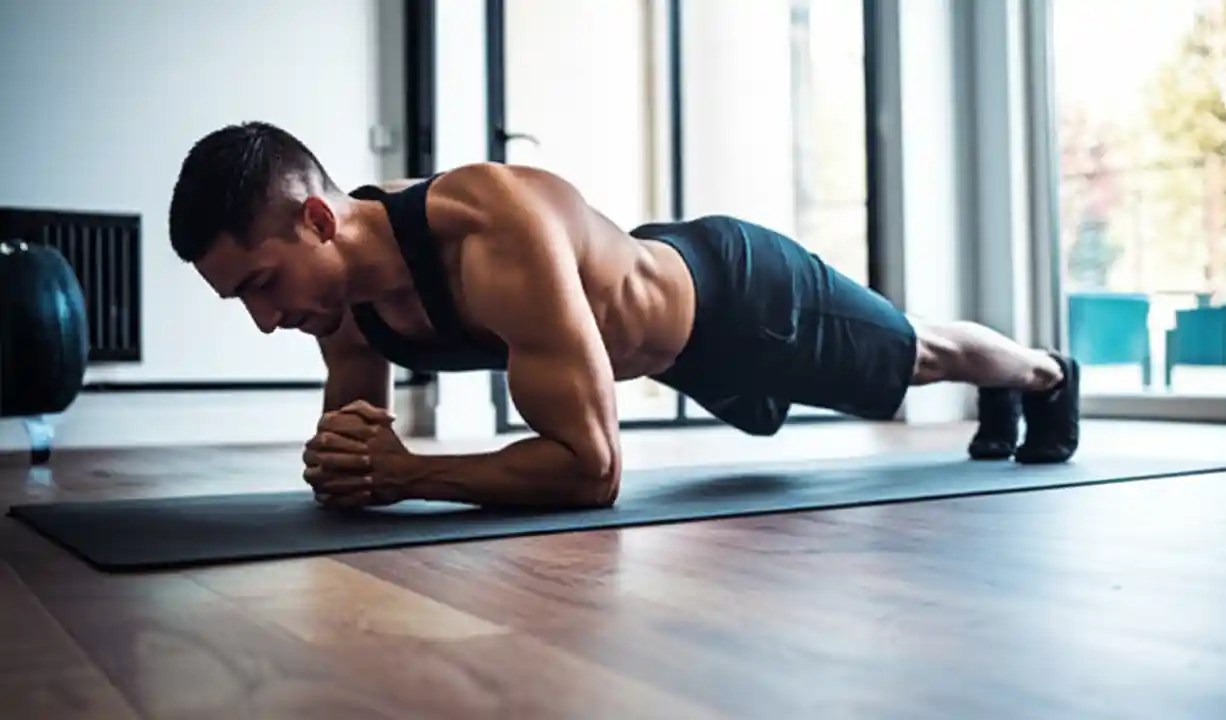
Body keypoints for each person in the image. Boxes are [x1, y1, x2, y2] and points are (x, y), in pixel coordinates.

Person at [168, 122, 1079, 510]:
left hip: (742, 298)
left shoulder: (491, 225)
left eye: (260, 284)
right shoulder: (335, 299)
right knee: (913, 359)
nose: (264, 318)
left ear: (318, 222)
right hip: (672, 352)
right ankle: (1007, 390)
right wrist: (349, 465)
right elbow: (355, 448)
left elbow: (592, 470)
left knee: (919, 354)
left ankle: (1040, 374)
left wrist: (411, 473)